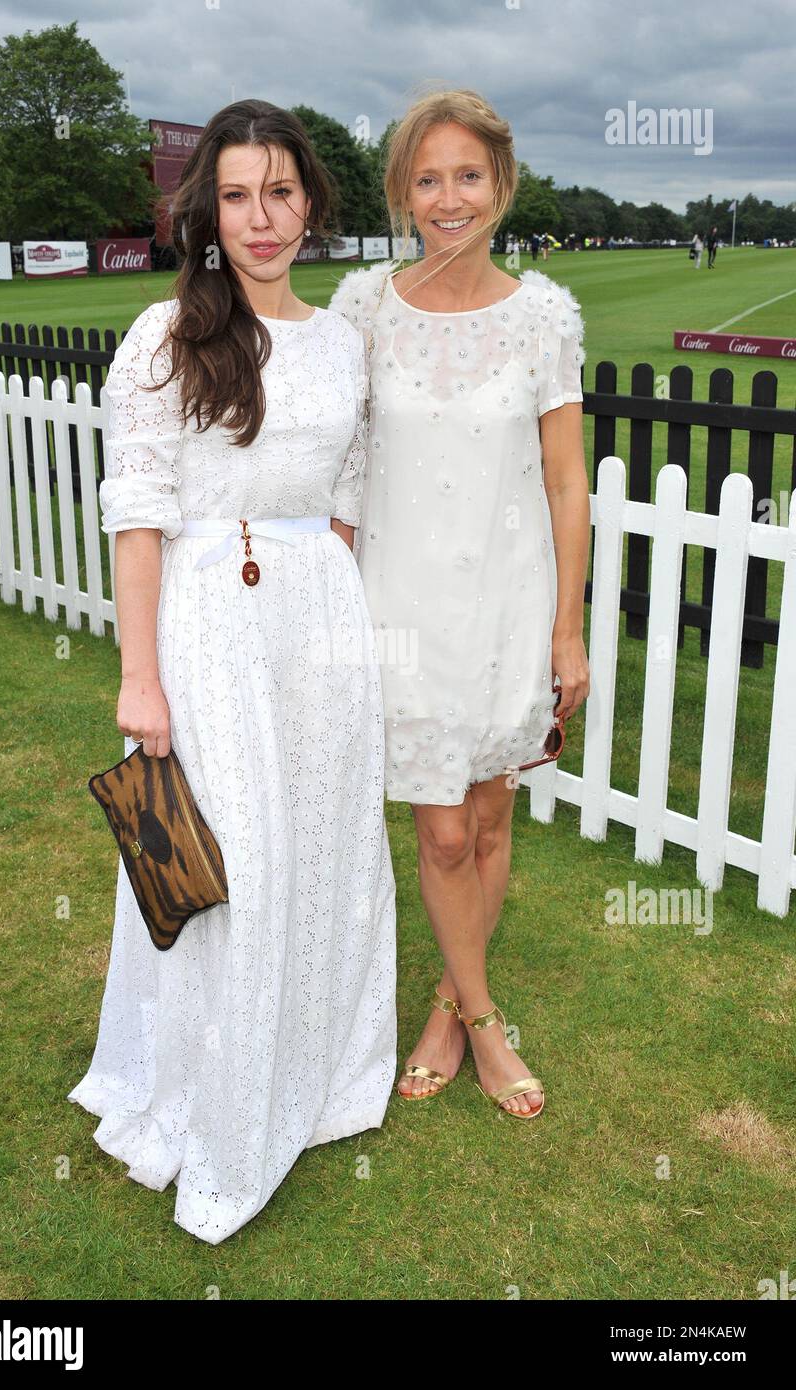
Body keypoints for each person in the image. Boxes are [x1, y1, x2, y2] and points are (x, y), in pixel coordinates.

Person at [68, 100, 397, 1245]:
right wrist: (140, 678)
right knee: (232, 865)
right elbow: (140, 520)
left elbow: (348, 500)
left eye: (284, 192)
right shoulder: (164, 338)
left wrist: (324, 621)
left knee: (323, 844)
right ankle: (215, 1093)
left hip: (318, 625)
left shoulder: (346, 340)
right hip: (209, 630)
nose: (263, 219)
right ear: (206, 209)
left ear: (313, 202)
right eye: (239, 195)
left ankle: (321, 1071)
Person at [329, 89, 590, 1118]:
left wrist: (568, 628)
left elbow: (566, 481)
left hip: (510, 606)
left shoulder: (544, 316)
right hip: (400, 612)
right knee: (441, 833)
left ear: (502, 185)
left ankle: (445, 998)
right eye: (427, 177)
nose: (449, 197)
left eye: (467, 175)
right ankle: (487, 1022)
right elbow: (343, 465)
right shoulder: (362, 308)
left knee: (489, 816)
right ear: (403, 192)